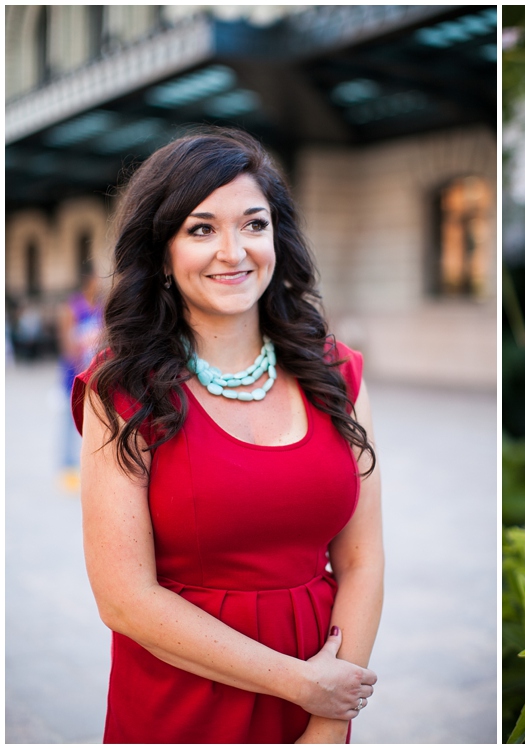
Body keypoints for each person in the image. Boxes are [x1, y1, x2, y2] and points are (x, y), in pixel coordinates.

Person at [72, 128, 383, 743]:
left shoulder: (337, 373)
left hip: (318, 700)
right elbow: (123, 598)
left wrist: (326, 720)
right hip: (180, 704)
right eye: (201, 228)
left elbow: (362, 558)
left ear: (277, 237)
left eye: (254, 224)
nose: (234, 251)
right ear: (162, 252)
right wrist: (299, 682)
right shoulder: (123, 389)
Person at [57, 270, 104, 490]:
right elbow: (67, 341)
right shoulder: (73, 306)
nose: (100, 283)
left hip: (96, 372)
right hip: (75, 372)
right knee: (69, 421)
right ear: (88, 282)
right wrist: (77, 366)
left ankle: (92, 467)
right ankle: (67, 467)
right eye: (97, 279)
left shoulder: (101, 307)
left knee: (94, 420)